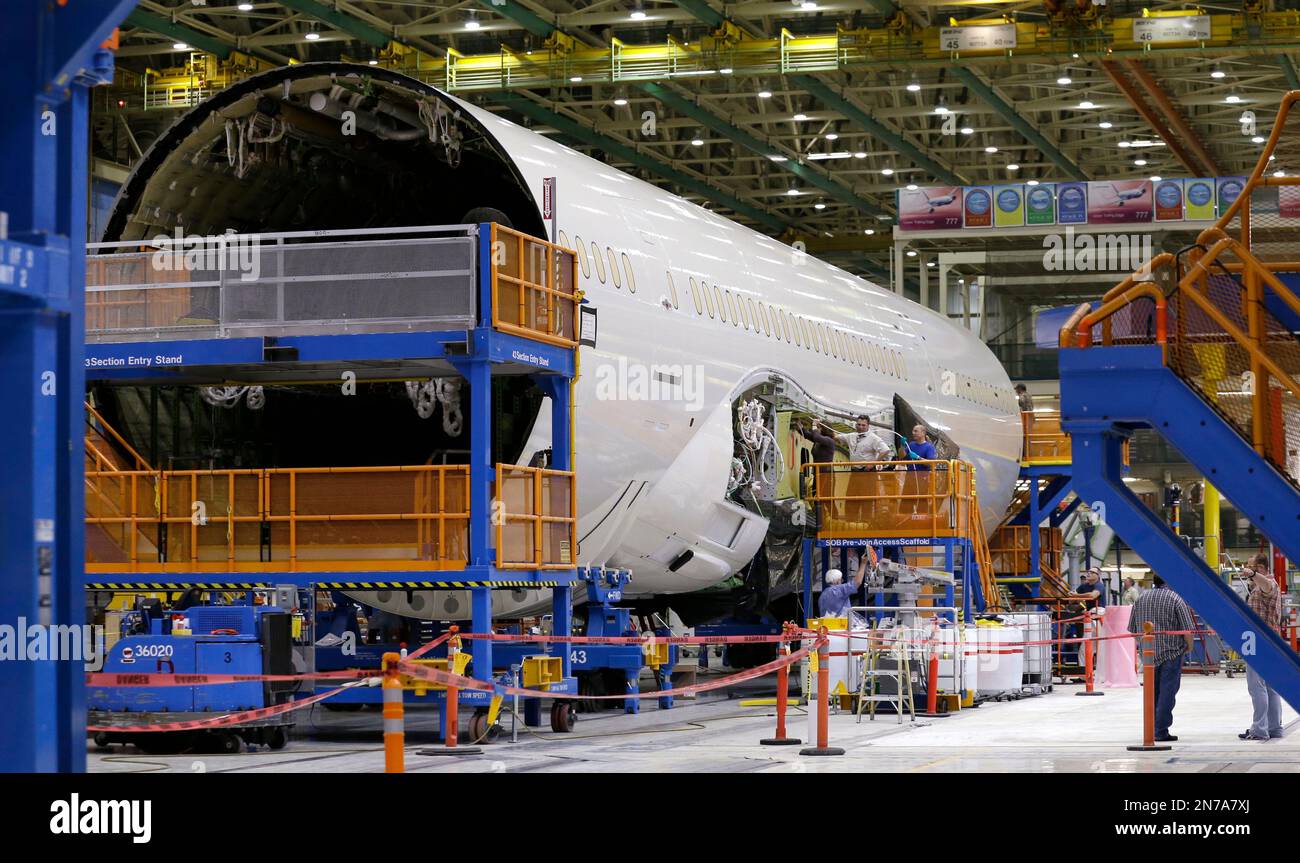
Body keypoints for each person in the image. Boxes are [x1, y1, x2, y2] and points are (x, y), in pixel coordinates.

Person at [1127, 575, 1195, 742]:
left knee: (1151, 692)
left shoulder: (1141, 598)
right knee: (1167, 692)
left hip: (1149, 655)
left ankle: (1151, 727)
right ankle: (1161, 729)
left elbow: (1133, 629)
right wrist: (1189, 647)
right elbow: (1187, 629)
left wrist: (1144, 647)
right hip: (1171, 653)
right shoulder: (1175, 598)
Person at [1240, 554, 1284, 741]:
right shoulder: (1259, 587)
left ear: (1260, 567)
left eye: (1251, 567)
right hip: (1271, 640)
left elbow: (1266, 585)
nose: (1247, 570)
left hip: (1259, 640)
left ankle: (1259, 729)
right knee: (1270, 686)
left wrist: (1252, 575)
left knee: (1256, 686)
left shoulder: (1270, 584)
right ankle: (1274, 727)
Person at [838, 416, 891, 526]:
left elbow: (885, 450)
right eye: (859, 424)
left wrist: (873, 463)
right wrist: (817, 427)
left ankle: (866, 527)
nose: (861, 427)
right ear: (856, 425)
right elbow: (836, 437)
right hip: (855, 473)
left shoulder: (873, 438)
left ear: (868, 426)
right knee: (851, 499)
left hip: (867, 473)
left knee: (867, 500)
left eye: (863, 425)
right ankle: (850, 525)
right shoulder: (851, 436)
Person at [818, 552, 869, 619]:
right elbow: (857, 582)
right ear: (835, 581)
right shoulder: (838, 590)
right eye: (840, 579)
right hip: (841, 625)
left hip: (828, 626)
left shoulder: (823, 595)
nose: (842, 581)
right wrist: (863, 563)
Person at [1015, 384, 1034, 458]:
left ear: (1020, 389)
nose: (1016, 391)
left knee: (1024, 437)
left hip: (1025, 418)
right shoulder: (1029, 395)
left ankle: (1025, 455)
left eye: (1017, 389)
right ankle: (1028, 454)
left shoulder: (1022, 396)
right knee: (1027, 436)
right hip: (1030, 417)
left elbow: (1021, 405)